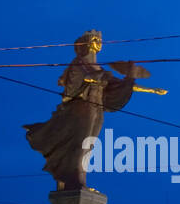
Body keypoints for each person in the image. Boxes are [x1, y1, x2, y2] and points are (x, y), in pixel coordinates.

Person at [23, 29, 164, 190]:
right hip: (82, 106)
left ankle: (78, 180)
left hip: (97, 107)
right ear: (87, 44)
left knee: (89, 146)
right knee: (80, 143)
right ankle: (74, 180)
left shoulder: (98, 68)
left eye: (99, 40)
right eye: (95, 40)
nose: (98, 43)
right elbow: (78, 83)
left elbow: (118, 84)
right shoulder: (80, 63)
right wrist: (96, 78)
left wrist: (152, 90)